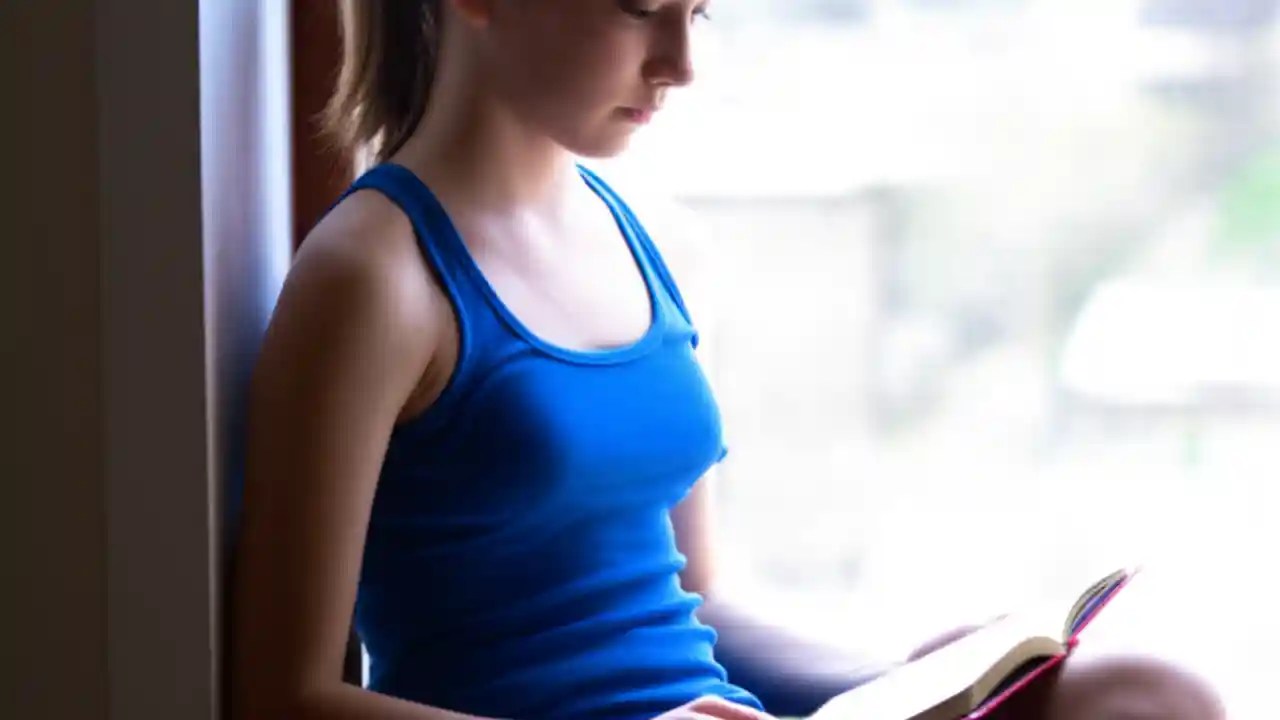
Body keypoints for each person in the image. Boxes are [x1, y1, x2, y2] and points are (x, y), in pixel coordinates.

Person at [227, 2, 1226, 719]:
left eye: (694, 14)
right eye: (638, 11)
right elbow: (283, 695)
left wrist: (908, 680)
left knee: (1151, 693)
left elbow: (697, 605)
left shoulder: (634, 236)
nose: (677, 64)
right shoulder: (372, 278)